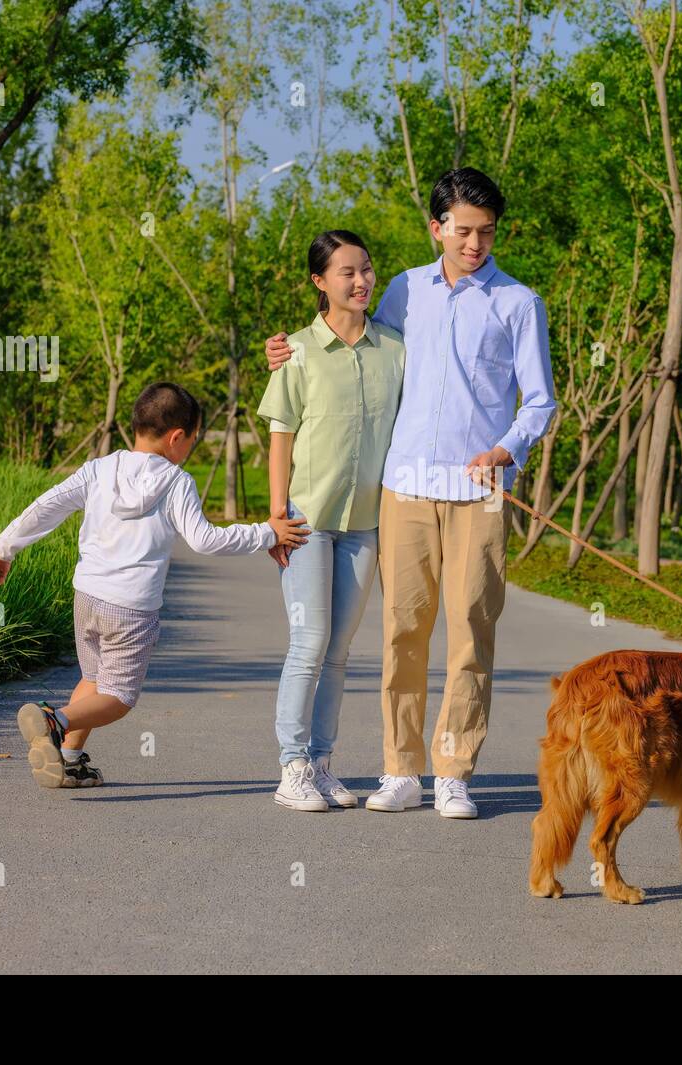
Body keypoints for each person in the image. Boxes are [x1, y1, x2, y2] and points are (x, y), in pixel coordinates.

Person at [265, 168, 557, 818]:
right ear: (437, 228)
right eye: (462, 230)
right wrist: (289, 350)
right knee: (403, 631)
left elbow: (539, 400)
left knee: (471, 631)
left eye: (485, 232)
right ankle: (401, 768)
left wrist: (508, 447)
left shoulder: (517, 303)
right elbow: (354, 340)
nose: (474, 243)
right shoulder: (403, 291)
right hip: (405, 488)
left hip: (478, 491)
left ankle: (452, 769)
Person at [0, 381, 309, 788]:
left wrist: (6, 547)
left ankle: (67, 758)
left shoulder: (98, 469)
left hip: (87, 598)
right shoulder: (175, 482)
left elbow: (47, 506)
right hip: (131, 608)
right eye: (192, 439)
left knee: (95, 679)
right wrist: (267, 532)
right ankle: (55, 719)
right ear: (177, 437)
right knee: (118, 699)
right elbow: (206, 540)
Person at [256, 230, 405, 811]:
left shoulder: (394, 349)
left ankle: (321, 763)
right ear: (321, 282)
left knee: (340, 648)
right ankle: (290, 766)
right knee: (309, 641)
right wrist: (275, 515)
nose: (362, 280)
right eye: (346, 272)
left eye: (366, 269)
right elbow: (280, 434)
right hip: (306, 519)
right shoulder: (296, 351)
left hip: (366, 522)